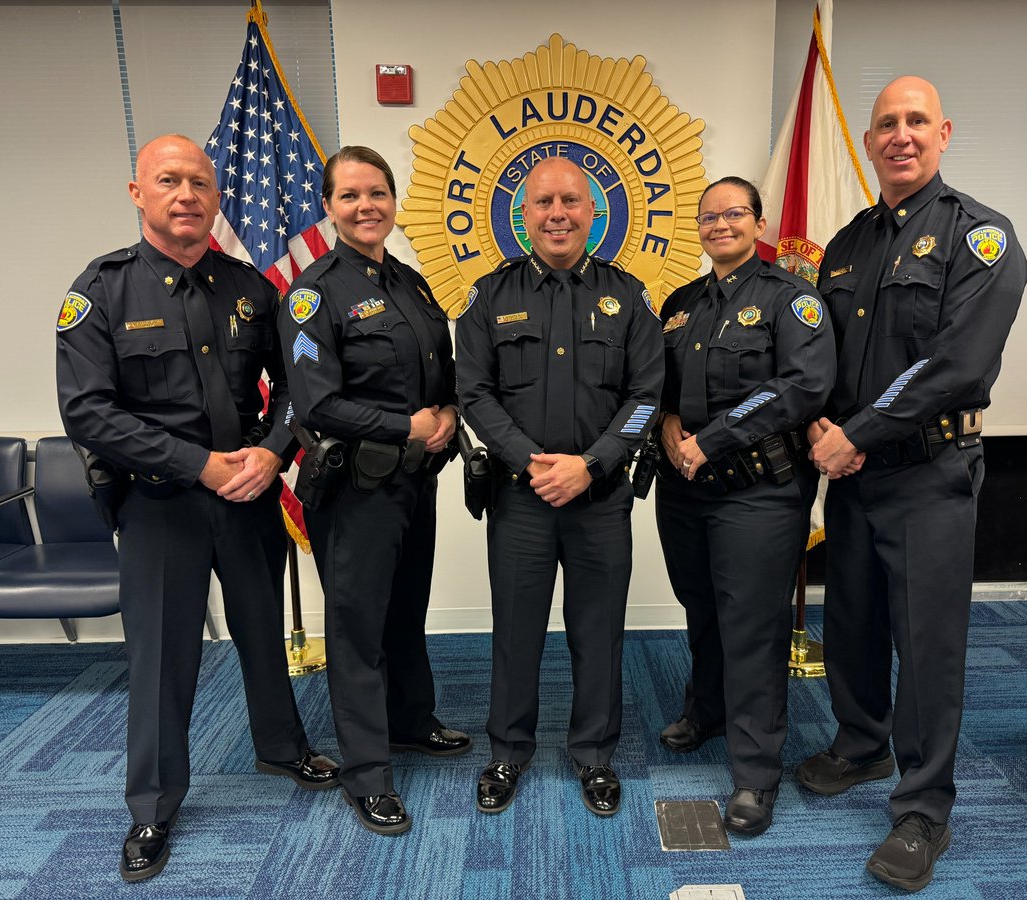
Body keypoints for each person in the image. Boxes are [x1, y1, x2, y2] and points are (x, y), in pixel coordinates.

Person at [55, 134, 338, 884]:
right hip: (160, 505)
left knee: (262, 632)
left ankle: (282, 748)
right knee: (162, 658)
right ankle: (152, 805)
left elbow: (299, 386)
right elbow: (88, 412)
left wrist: (273, 451)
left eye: (199, 183)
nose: (186, 195)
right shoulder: (102, 290)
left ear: (216, 197)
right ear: (138, 193)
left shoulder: (249, 287)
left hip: (247, 494)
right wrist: (197, 464)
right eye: (168, 181)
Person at [802, 76, 1027, 891]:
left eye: (917, 121)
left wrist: (854, 434)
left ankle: (924, 808)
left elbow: (956, 365)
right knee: (852, 619)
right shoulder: (847, 244)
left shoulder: (981, 237)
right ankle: (861, 744)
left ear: (944, 133)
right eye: (887, 123)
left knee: (927, 643)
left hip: (931, 473)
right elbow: (817, 357)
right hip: (855, 473)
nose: (901, 135)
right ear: (869, 142)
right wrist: (820, 426)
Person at [456, 156, 664, 817]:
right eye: (543, 202)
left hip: (600, 499)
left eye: (571, 201)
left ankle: (594, 753)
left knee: (597, 631)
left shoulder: (629, 297)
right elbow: (474, 394)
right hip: (522, 498)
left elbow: (646, 397)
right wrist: (530, 462)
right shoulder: (490, 297)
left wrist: (592, 464)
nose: (557, 214)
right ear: (523, 214)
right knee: (516, 630)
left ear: (592, 212)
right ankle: (507, 751)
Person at [278, 146, 469, 836]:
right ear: (328, 208)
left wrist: (447, 413)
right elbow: (315, 402)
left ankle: (411, 721)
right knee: (358, 630)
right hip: (356, 487)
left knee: (405, 610)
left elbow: (440, 370)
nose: (367, 206)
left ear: (393, 200)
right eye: (351, 195)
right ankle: (365, 775)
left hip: (414, 479)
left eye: (377, 193)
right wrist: (406, 424)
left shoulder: (410, 283)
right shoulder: (312, 295)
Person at [654, 176, 835, 835]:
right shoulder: (679, 305)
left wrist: (713, 439)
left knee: (753, 626)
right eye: (709, 216)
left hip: (759, 492)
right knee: (701, 605)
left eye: (734, 213)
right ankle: (707, 711)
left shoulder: (792, 299)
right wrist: (667, 423)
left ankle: (756, 773)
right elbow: (656, 384)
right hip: (684, 488)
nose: (720, 224)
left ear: (759, 224)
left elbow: (802, 387)